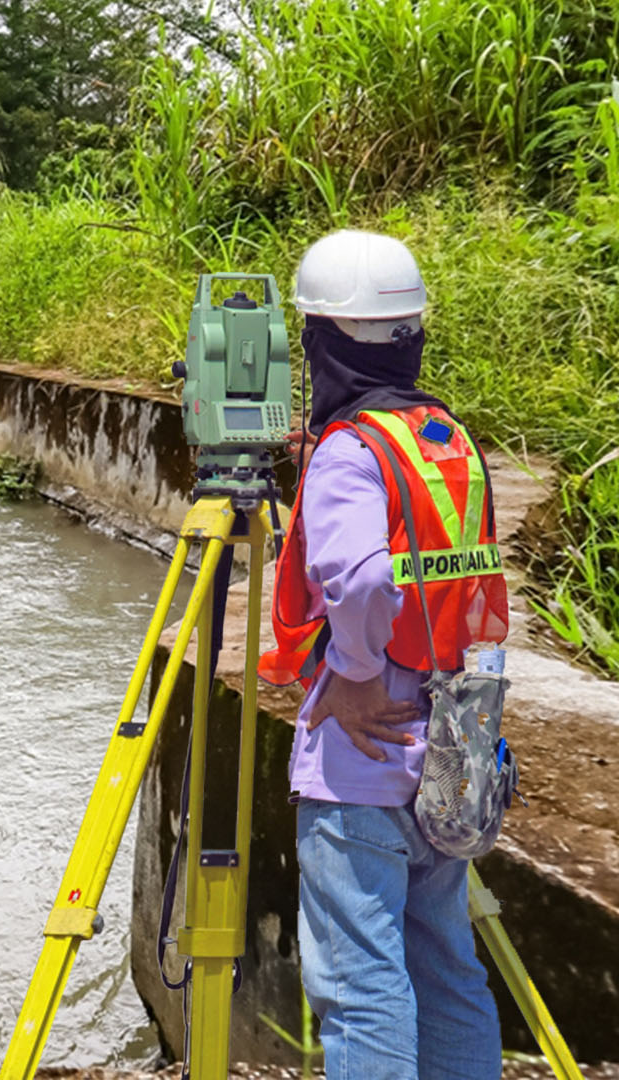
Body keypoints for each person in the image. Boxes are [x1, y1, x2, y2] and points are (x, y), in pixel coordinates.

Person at [258, 230, 511, 1079]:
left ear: (318, 342)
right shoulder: (443, 440)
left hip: (362, 767)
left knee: (363, 992)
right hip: (444, 758)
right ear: (412, 337)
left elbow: (362, 580)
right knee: (448, 977)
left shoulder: (348, 454)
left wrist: (357, 675)